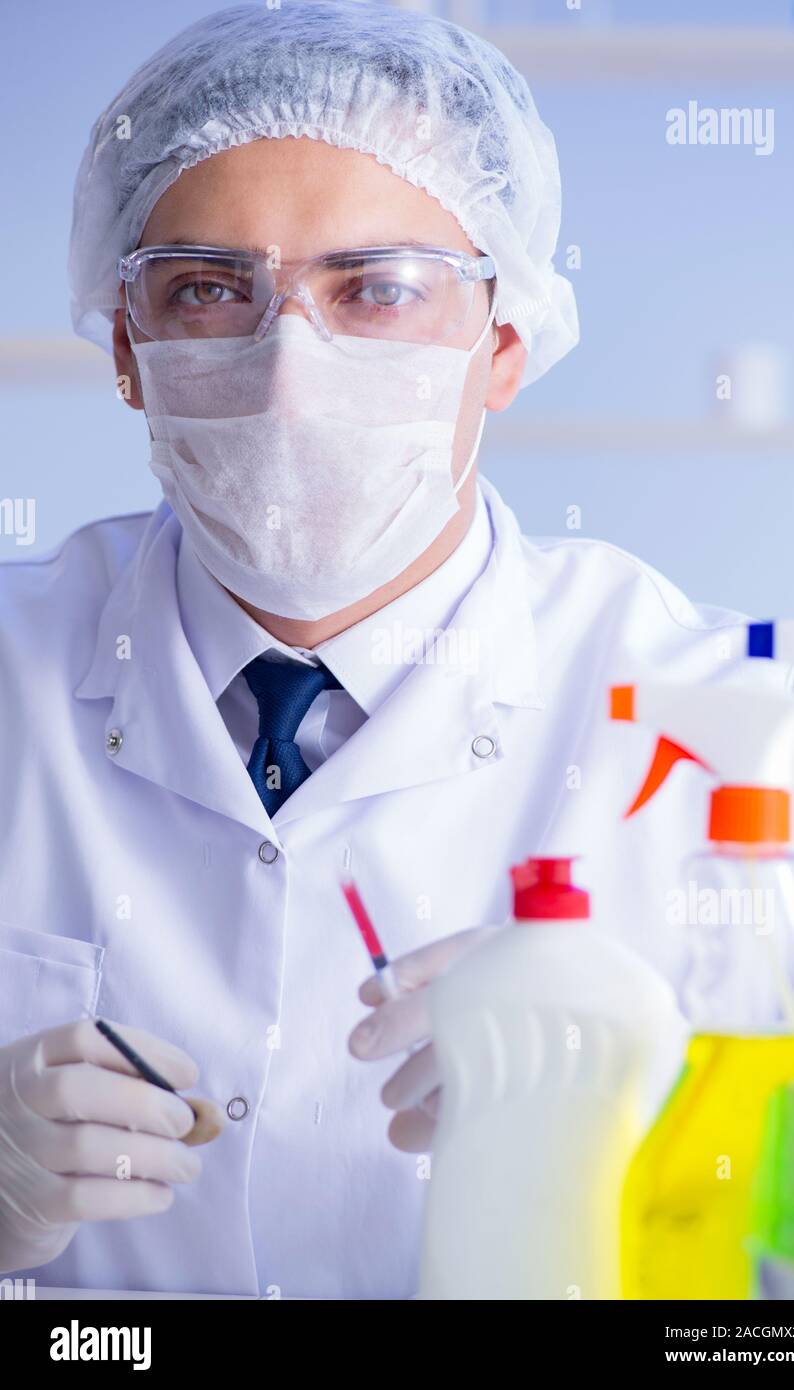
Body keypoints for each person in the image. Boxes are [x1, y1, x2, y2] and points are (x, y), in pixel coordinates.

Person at [0, 1, 750, 1299]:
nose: (291, 364)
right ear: (124, 346)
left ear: (502, 345)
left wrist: (677, 1156)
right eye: (207, 288)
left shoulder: (717, 724)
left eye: (378, 290)